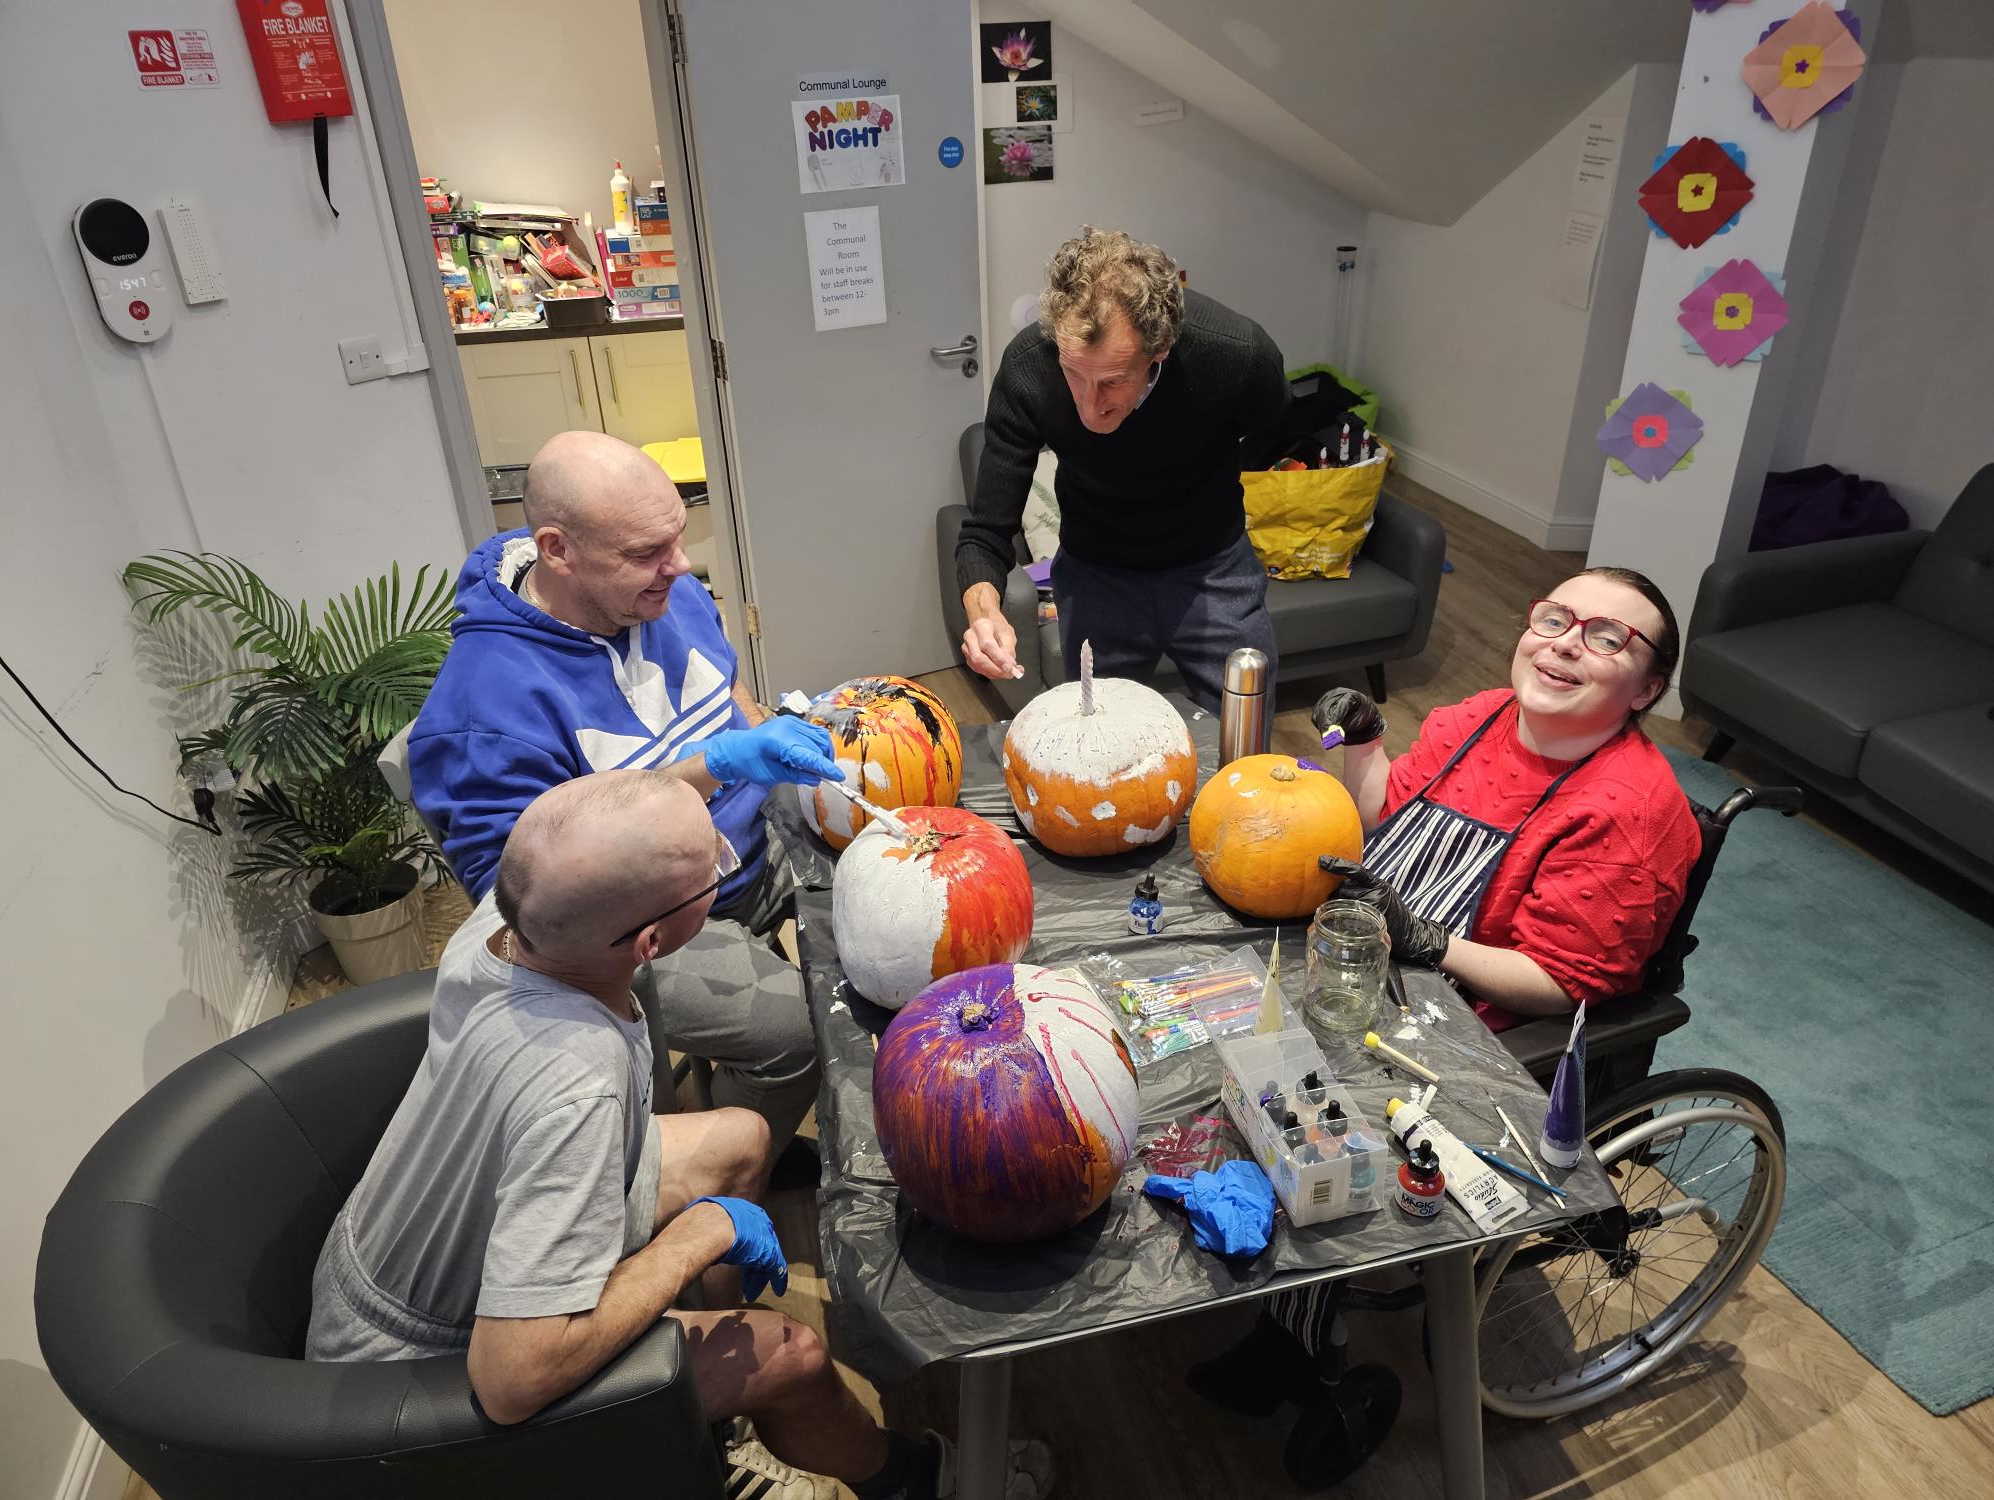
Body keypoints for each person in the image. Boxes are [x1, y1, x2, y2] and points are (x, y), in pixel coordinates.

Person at [306, 771, 1053, 1500]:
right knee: (791, 1356)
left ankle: (707, 1421)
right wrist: (699, 1234)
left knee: (738, 1139)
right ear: (654, 940)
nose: (723, 873)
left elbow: (605, 820)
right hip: (427, 1372)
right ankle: (915, 1481)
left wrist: (721, 763)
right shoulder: (578, 1088)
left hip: (432, 1246)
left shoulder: (509, 923)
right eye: (713, 876)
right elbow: (511, 1380)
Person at [1188, 565, 1701, 1415]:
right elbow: (1385, 814)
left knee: (1300, 1110)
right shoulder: (1476, 719)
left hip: (1474, 1029)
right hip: (1368, 957)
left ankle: (1295, 1342)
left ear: (1646, 688)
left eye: (1607, 637)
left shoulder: (1635, 814)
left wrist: (1432, 942)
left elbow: (1560, 980)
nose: (1565, 643)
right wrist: (1362, 744)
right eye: (1554, 618)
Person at [410, 430, 838, 1152]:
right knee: (794, 1039)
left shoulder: (660, 592)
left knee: (900, 899)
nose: (678, 566)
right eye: (645, 553)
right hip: (638, 931)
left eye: (675, 538)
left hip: (748, 845)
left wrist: (775, 725)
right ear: (557, 550)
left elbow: (728, 685)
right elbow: (537, 914)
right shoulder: (484, 713)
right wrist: (722, 762)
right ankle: (723, 1164)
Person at [955, 226, 1291, 710]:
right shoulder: (1029, 368)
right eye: (1074, 375)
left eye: (1113, 382)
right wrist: (984, 613)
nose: (1091, 408)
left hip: (1214, 569)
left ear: (1160, 353)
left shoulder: (1235, 355)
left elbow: (1270, 432)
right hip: (1096, 575)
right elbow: (985, 531)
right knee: (1098, 746)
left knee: (1243, 733)